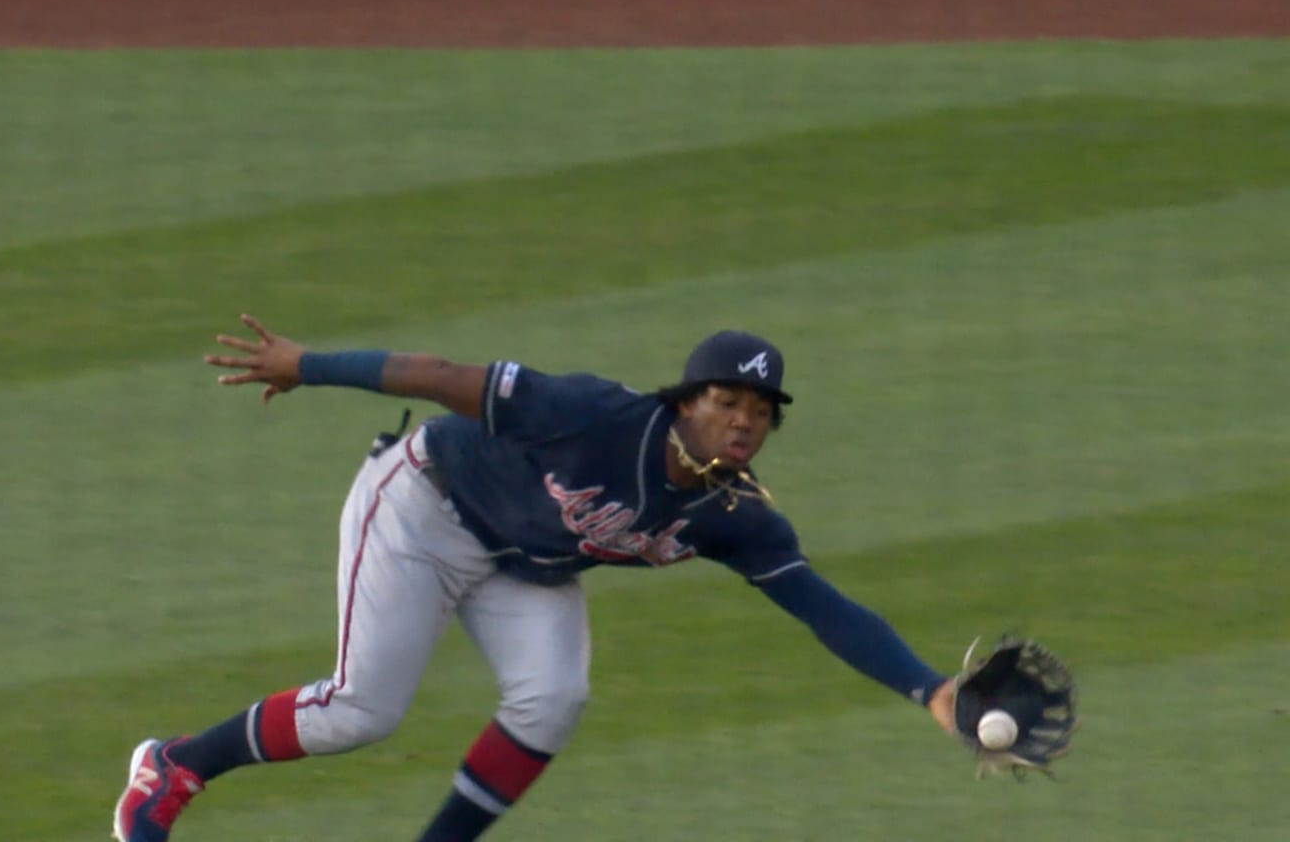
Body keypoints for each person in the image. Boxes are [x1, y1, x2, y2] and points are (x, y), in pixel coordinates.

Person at [113, 314, 959, 842]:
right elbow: (441, 376)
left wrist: (930, 691)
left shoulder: (733, 515)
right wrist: (310, 365)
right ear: (685, 402)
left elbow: (823, 607)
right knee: (361, 711)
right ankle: (176, 766)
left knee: (553, 699)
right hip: (424, 509)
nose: (744, 422)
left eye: (760, 414)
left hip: (523, 563)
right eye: (726, 404)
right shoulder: (592, 413)